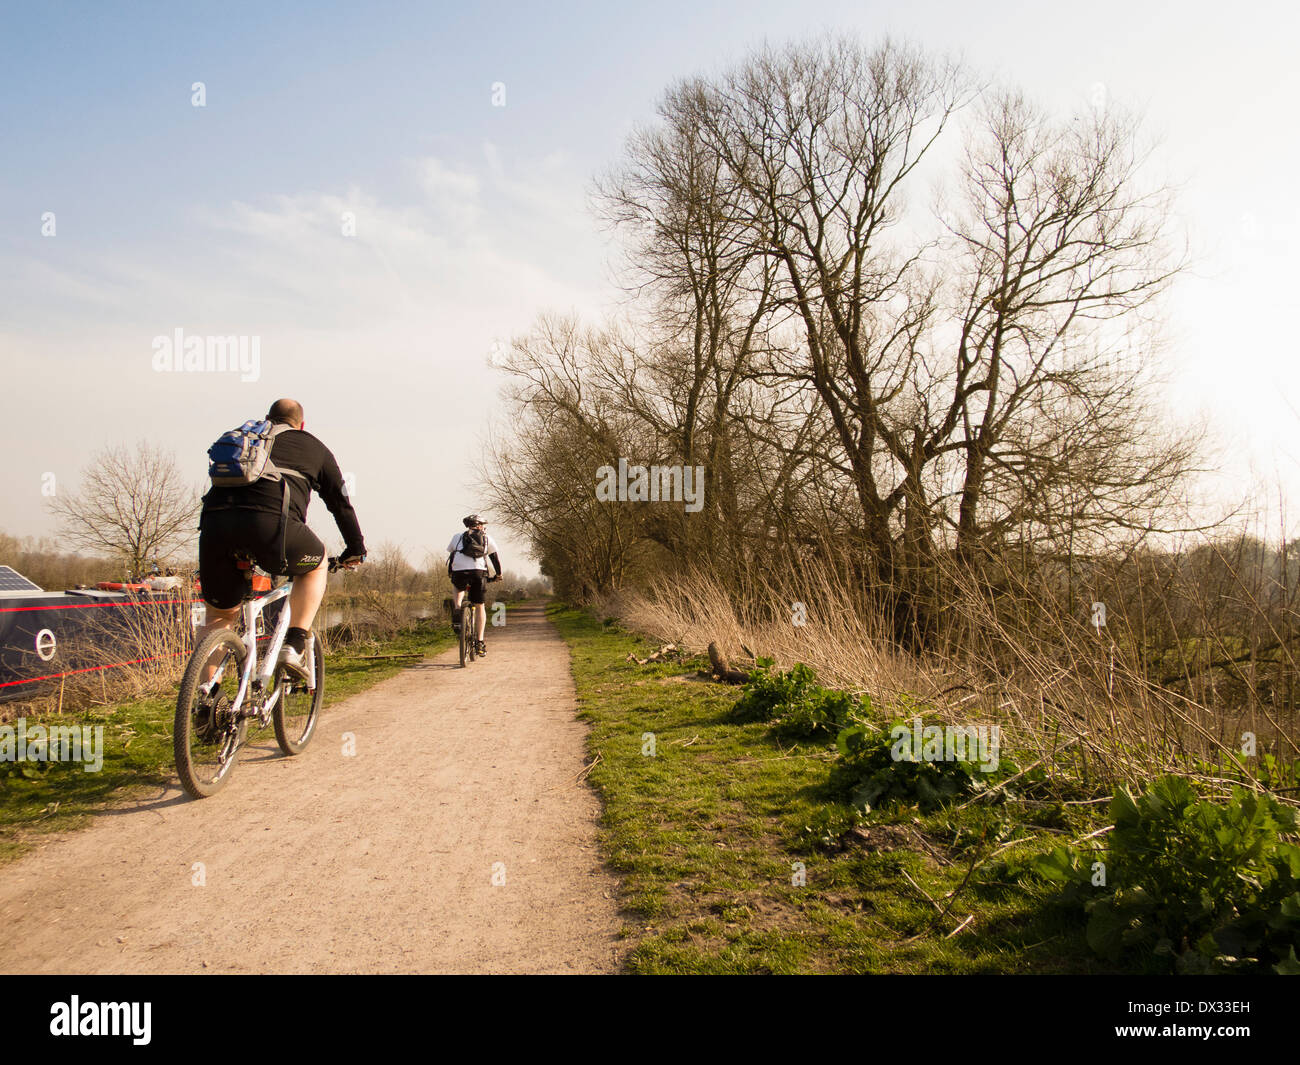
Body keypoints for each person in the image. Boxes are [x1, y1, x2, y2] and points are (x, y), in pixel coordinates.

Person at [197, 399, 366, 678]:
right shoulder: (314, 447)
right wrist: (355, 548)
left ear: (267, 418)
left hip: (215, 524)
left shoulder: (245, 439)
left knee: (219, 616)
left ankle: (205, 698)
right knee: (318, 562)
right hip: (271, 528)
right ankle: (295, 643)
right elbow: (340, 504)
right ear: (301, 425)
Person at [447, 514, 501, 656]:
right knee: (480, 606)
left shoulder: (457, 537)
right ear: (480, 526)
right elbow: (494, 558)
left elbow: (452, 555)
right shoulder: (487, 538)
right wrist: (498, 575)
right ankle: (480, 643)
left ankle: (458, 609)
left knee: (458, 587)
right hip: (478, 572)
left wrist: (452, 573)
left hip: (459, 571)